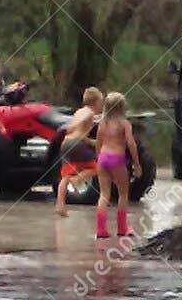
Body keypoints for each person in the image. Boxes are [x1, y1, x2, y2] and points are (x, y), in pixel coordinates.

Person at [93, 92, 140, 239]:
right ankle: (122, 228)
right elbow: (131, 144)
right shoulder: (124, 124)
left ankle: (101, 229)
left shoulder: (102, 123)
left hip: (103, 157)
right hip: (117, 158)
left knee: (104, 194)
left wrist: (98, 158)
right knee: (123, 194)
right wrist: (136, 163)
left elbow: (98, 142)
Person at [55, 86, 103, 217]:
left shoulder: (78, 111)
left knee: (65, 176)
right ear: (96, 102)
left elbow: (80, 133)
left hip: (66, 143)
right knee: (98, 167)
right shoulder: (90, 113)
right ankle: (77, 180)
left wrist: (91, 141)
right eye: (100, 102)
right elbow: (80, 126)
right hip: (77, 144)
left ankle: (59, 205)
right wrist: (74, 126)